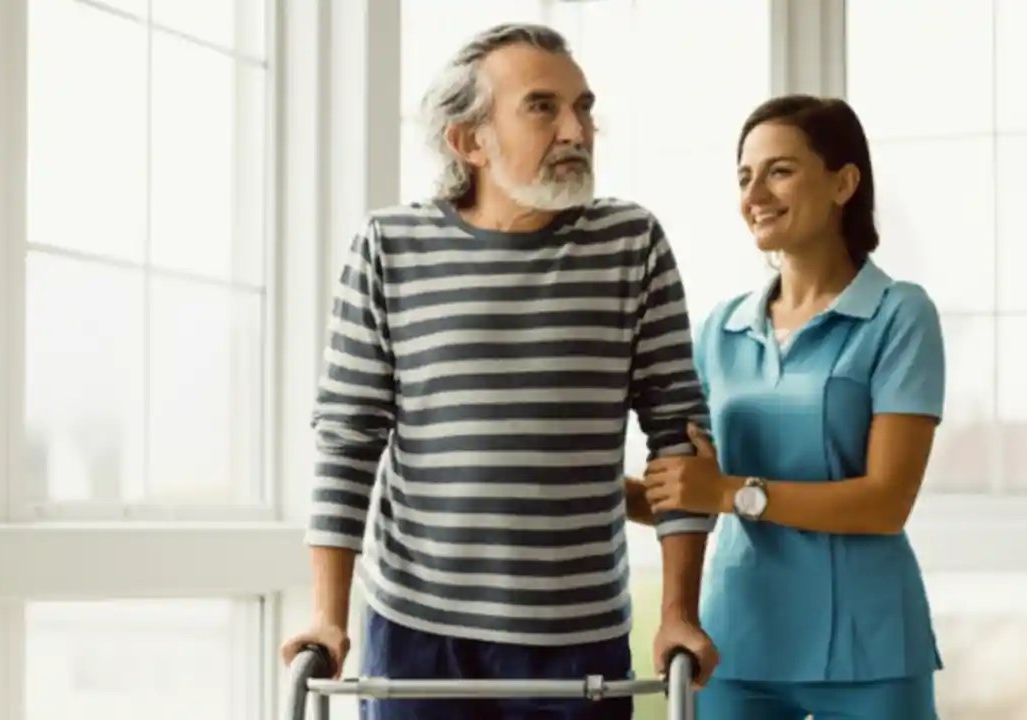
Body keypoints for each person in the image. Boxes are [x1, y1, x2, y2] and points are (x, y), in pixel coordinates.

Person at [280, 23, 719, 720]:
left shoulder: (632, 243)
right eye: (543, 107)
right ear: (467, 140)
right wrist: (328, 617)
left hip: (579, 639)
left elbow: (679, 437)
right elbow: (347, 439)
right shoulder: (389, 247)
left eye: (584, 107)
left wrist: (677, 613)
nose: (576, 128)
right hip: (417, 633)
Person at [627, 95, 946, 719]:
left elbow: (886, 502)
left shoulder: (900, 316)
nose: (755, 194)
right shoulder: (721, 330)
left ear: (843, 182)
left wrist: (728, 493)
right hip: (736, 644)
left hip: (869, 647)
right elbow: (690, 490)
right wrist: (585, 491)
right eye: (744, 176)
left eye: (780, 170)